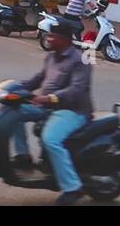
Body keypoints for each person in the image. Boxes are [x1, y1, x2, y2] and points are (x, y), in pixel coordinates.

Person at [6, 23, 93, 205]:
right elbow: (38, 79)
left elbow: (77, 90)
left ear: (66, 40)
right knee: (12, 113)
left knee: (51, 139)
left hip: (72, 110)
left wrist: (49, 98)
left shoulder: (81, 60)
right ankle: (23, 157)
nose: (49, 39)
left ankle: (73, 188)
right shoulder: (51, 57)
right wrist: (14, 88)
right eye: (49, 36)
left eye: (53, 37)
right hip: (47, 107)